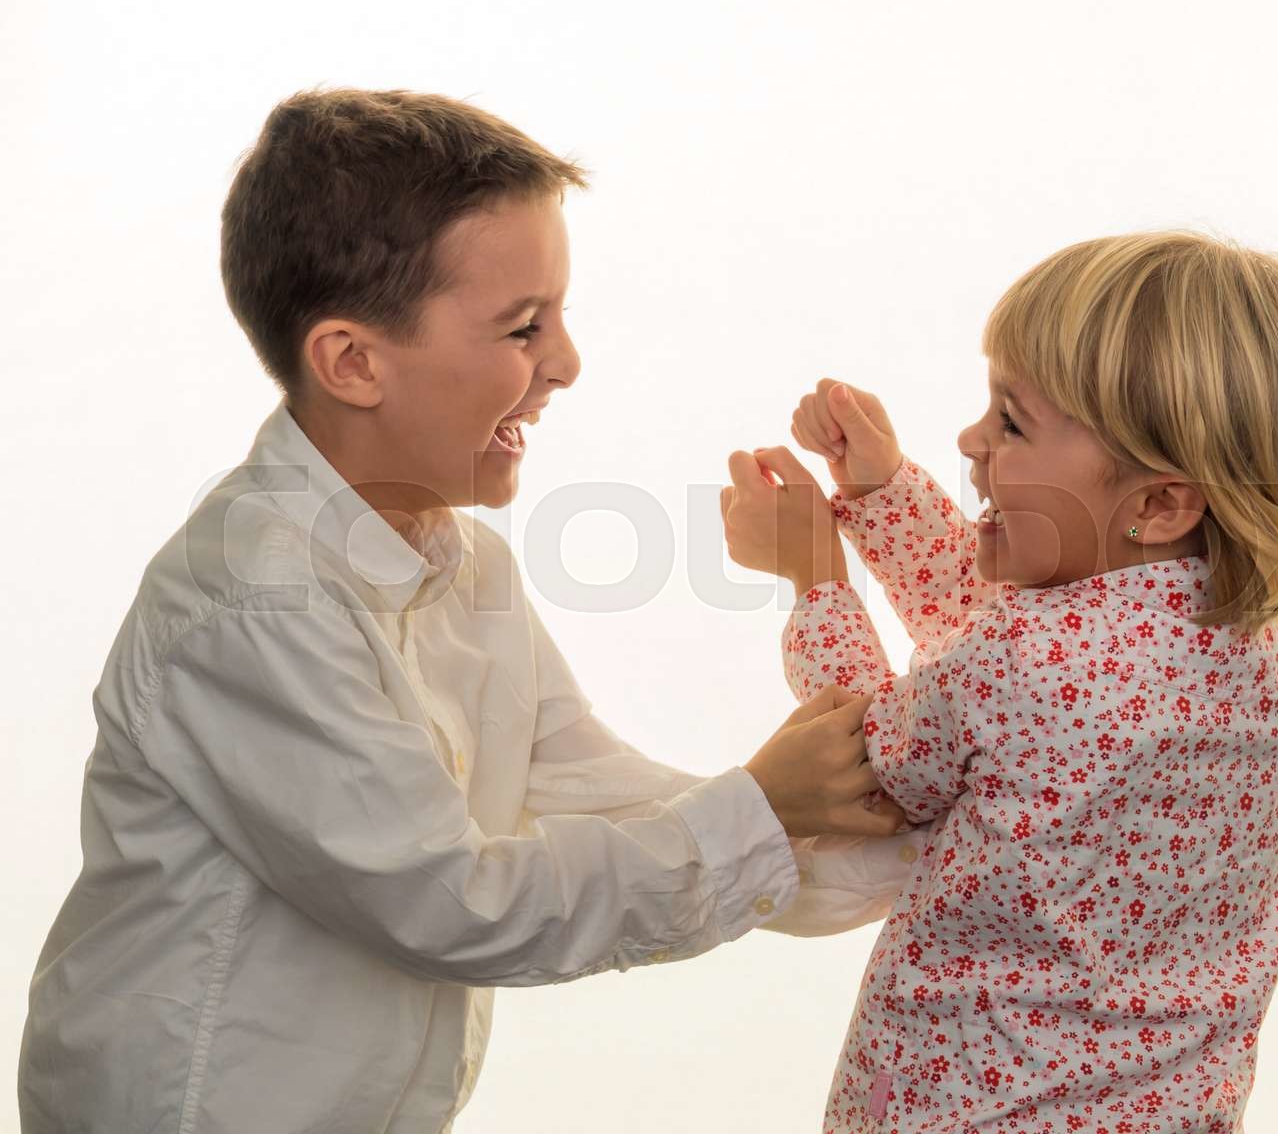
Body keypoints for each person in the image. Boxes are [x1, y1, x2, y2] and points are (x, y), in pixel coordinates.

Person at [18, 87, 923, 1134]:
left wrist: (907, 852)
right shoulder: (254, 608)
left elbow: (600, 796)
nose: (567, 366)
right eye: (523, 327)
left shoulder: (469, 573)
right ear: (353, 361)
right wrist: (765, 810)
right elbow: (452, 903)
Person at [721, 232, 1278, 1131]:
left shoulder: (1019, 661)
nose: (970, 440)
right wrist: (882, 492)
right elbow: (1001, 656)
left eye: (1011, 422)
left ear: (1157, 504)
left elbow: (860, 766)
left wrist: (814, 575)